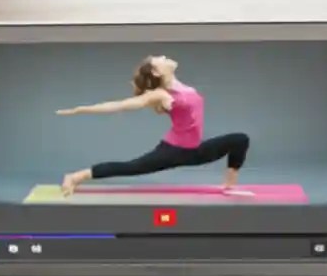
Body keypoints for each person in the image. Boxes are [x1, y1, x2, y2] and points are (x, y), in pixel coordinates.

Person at [56, 55, 251, 196]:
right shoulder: (160, 94)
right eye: (160, 58)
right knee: (132, 167)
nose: (165, 57)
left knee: (240, 140)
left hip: (195, 150)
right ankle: (75, 177)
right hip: (173, 150)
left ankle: (229, 186)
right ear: (157, 71)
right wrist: (80, 109)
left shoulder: (182, 87)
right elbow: (120, 105)